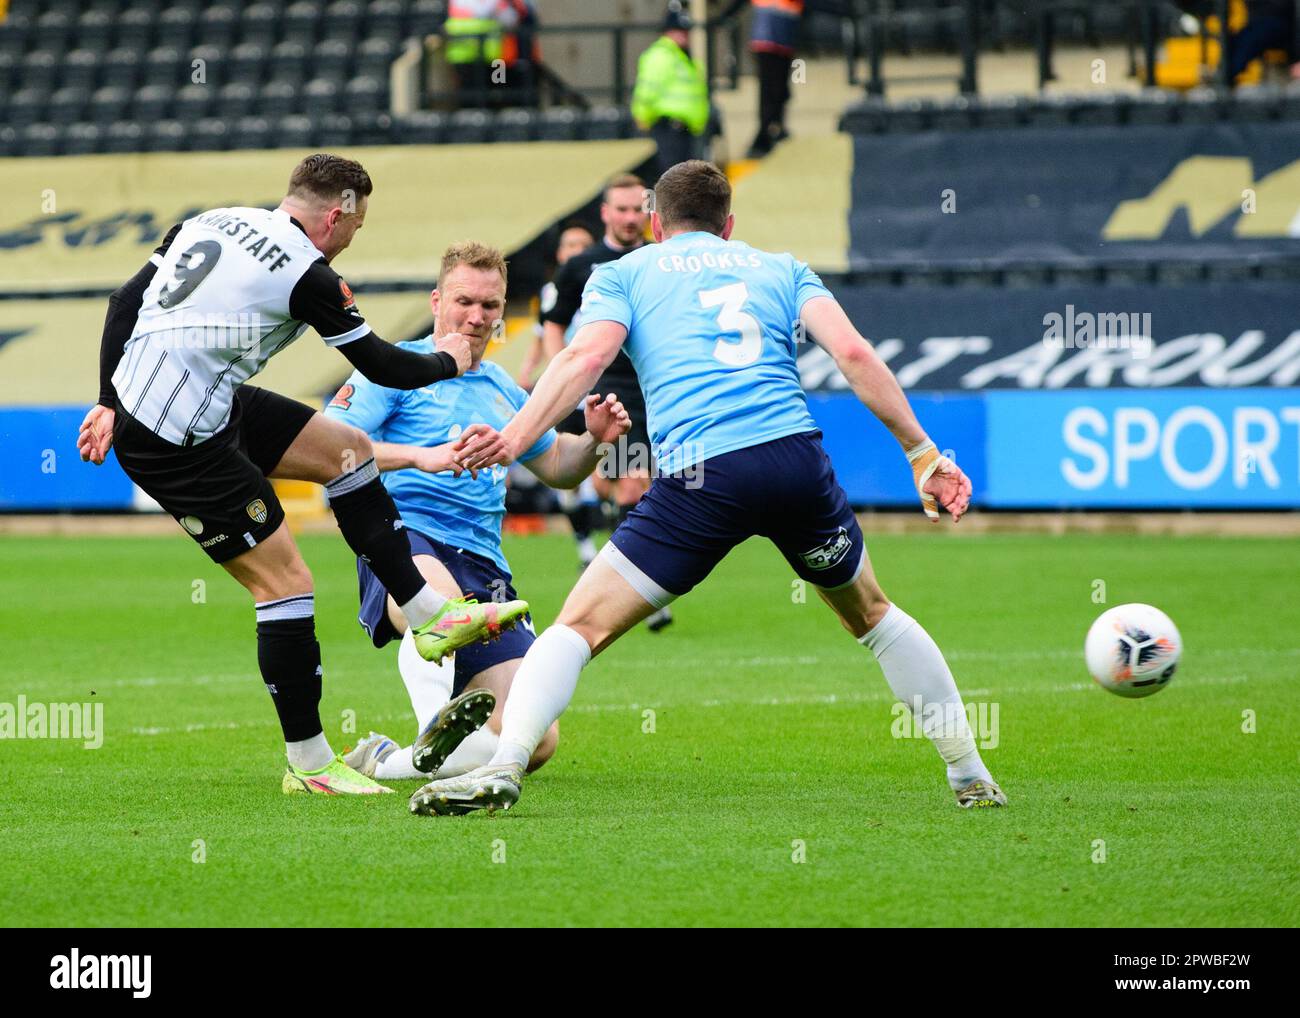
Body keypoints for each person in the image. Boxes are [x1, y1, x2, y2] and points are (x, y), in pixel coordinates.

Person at [410, 160, 1005, 817]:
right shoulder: (779, 267)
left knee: (580, 626)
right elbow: (856, 355)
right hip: (794, 462)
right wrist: (923, 454)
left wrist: (516, 438)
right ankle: (970, 773)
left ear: (656, 226)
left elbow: (583, 358)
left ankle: (504, 765)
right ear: (729, 225)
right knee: (872, 615)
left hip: (702, 475)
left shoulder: (625, 273)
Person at [77, 154, 528, 797]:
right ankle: (310, 764)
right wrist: (450, 360)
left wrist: (106, 396)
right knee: (286, 583)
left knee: (347, 449)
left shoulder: (216, 219)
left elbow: (126, 300)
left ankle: (428, 615)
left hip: (196, 400)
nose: (352, 239)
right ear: (337, 213)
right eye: (357, 226)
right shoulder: (308, 275)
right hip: (173, 441)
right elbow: (382, 365)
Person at [323, 241, 631, 790]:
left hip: (484, 564)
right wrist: (423, 456)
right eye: (465, 300)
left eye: (491, 306)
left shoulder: (504, 391)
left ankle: (388, 760)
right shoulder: (393, 369)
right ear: (437, 301)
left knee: (535, 739)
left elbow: (558, 466)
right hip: (404, 534)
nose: (477, 316)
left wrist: (597, 442)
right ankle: (431, 725)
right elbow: (333, 449)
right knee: (439, 611)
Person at [537, 175, 672, 631]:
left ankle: (628, 583)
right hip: (603, 388)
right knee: (619, 485)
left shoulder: (662, 258)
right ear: (606, 214)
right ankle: (640, 588)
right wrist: (566, 375)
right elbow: (554, 322)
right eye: (622, 209)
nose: (631, 218)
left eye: (638, 209)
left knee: (628, 487)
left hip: (653, 387)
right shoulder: (583, 265)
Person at [518, 220, 603, 567]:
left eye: (583, 246)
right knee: (566, 474)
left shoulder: (606, 286)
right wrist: (527, 372)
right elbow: (542, 336)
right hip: (569, 394)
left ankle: (615, 542)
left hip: (602, 388)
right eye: (570, 246)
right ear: (560, 253)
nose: (576, 252)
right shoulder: (553, 292)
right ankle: (585, 545)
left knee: (606, 480)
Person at [714, 0, 804, 157]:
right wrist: (723, 17)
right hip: (768, 39)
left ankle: (775, 127)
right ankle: (766, 132)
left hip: (783, 39)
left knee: (779, 88)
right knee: (770, 88)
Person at [632, 2, 710, 181]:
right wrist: (641, 117)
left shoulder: (682, 57)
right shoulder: (661, 55)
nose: (684, 35)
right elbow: (646, 89)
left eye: (685, 31)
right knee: (673, 181)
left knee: (685, 183)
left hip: (687, 130)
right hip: (669, 128)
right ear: (667, 31)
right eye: (678, 30)